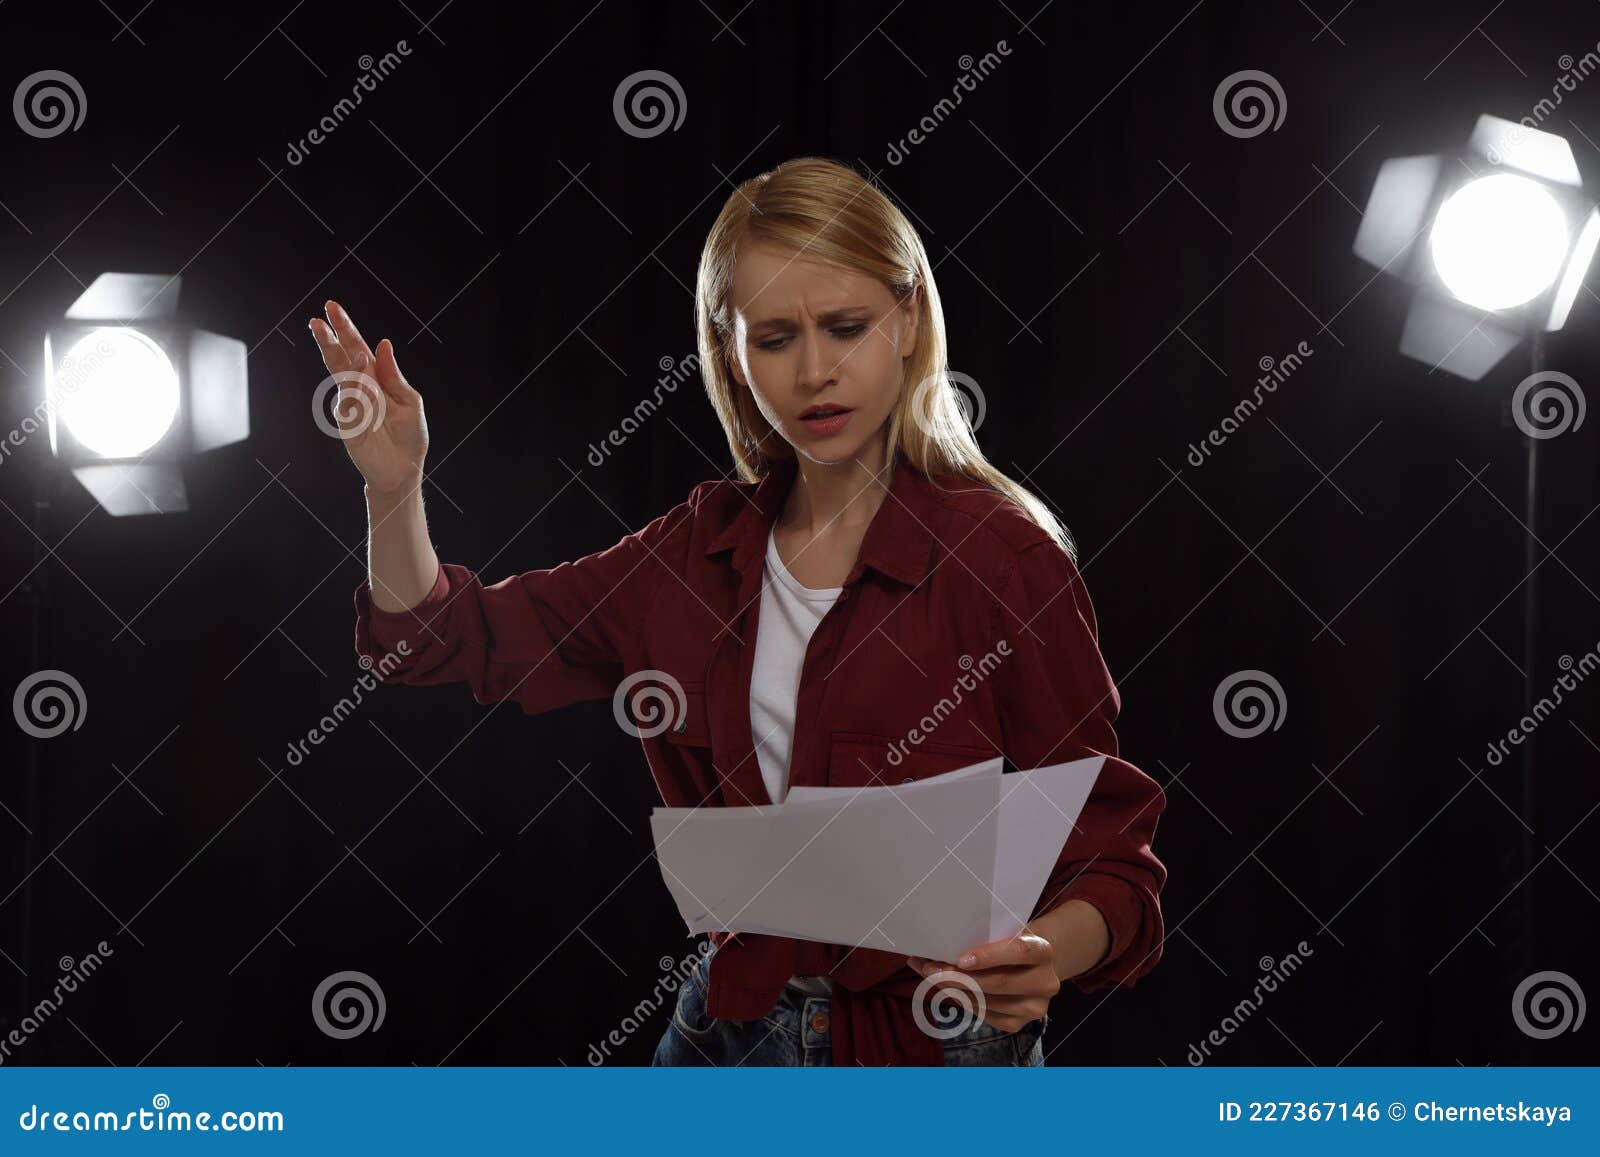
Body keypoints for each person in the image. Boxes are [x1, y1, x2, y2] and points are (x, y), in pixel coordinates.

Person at [309, 155, 1167, 1066]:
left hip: (933, 1054)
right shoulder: (692, 554)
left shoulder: (1005, 558)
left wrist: (1046, 954)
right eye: (774, 338)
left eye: (846, 326)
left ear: (909, 318)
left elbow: (1113, 858)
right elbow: (443, 639)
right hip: (728, 1043)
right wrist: (395, 492)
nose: (816, 372)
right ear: (729, 352)